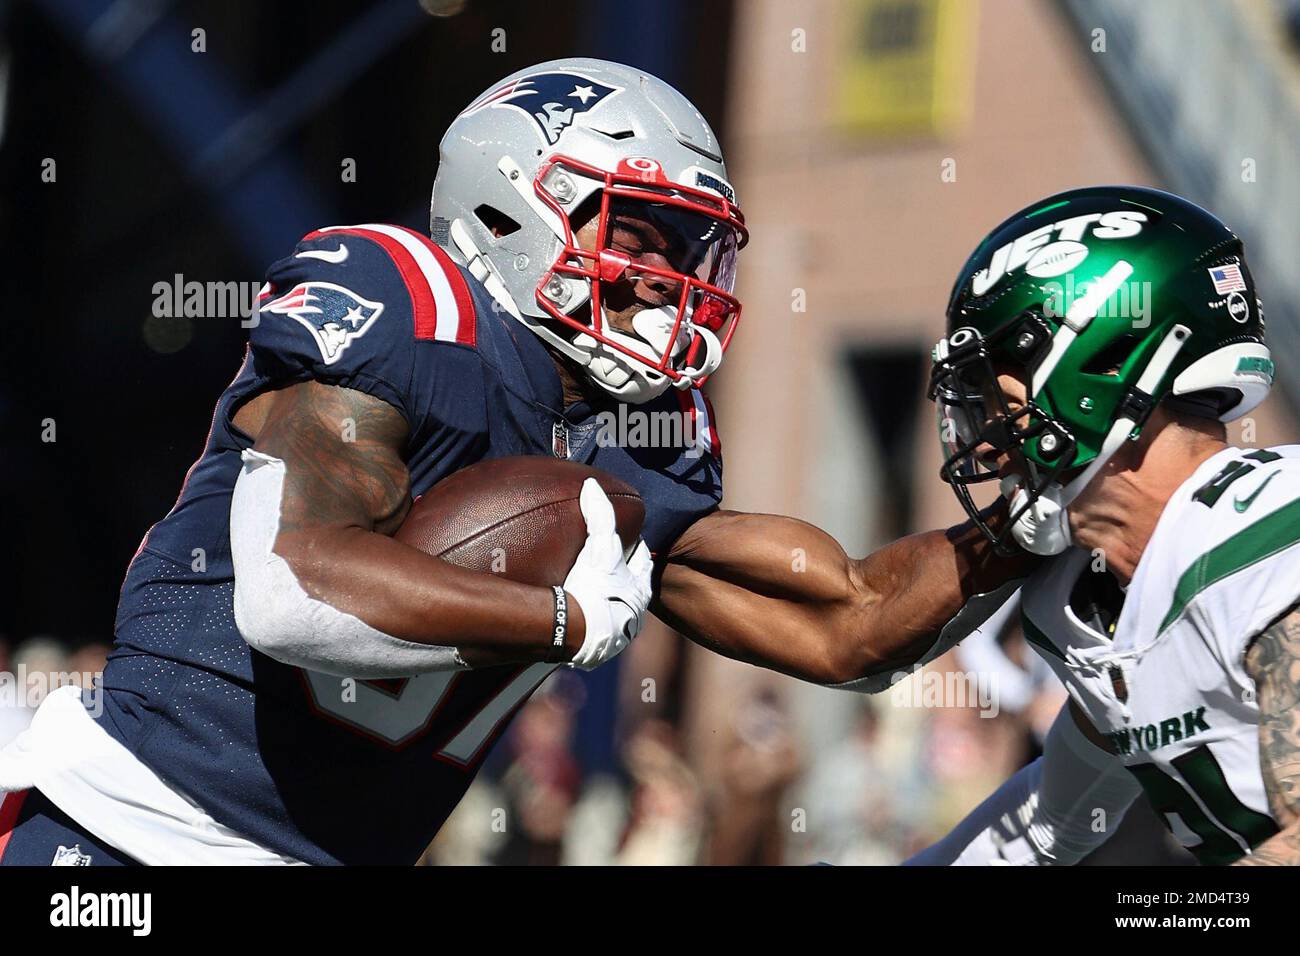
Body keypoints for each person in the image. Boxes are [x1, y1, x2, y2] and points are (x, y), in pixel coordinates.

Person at [0, 58, 1023, 866]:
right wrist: (559, 620)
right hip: (129, 833)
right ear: (511, 208)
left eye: (692, 246)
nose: (670, 279)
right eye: (644, 232)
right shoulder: (407, 304)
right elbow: (292, 586)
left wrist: (1028, 521)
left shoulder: (640, 433)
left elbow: (848, 621)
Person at [907, 185, 1298, 865]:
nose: (991, 446)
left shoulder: (1267, 544)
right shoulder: (1084, 599)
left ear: (1104, 369)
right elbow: (1045, 826)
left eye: (999, 405)